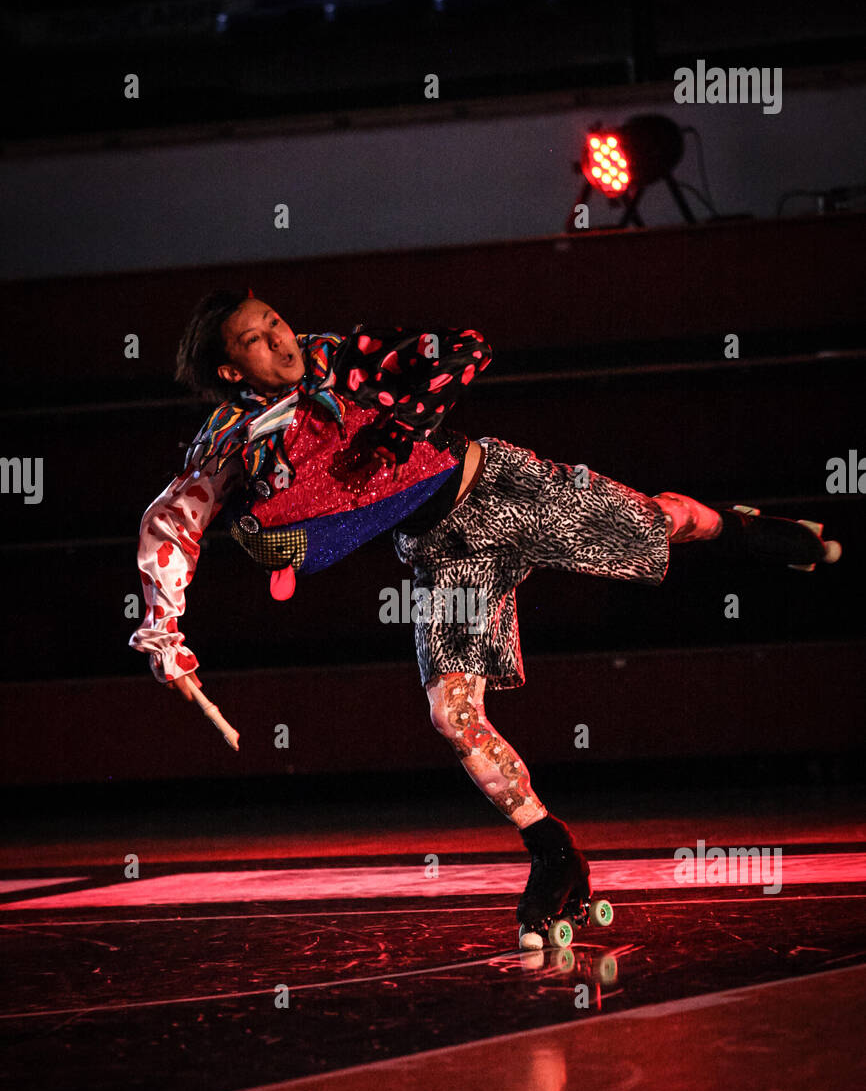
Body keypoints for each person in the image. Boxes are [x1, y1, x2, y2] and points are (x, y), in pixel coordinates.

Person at [130, 290, 841, 948]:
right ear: (231, 370)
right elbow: (171, 524)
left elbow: (466, 347)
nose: (280, 341)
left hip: (502, 487)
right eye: (256, 340)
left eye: (276, 322)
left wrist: (404, 424)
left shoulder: (342, 356)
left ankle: (740, 531)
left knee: (659, 523)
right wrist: (165, 635)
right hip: (444, 553)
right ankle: (554, 853)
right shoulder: (231, 439)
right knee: (452, 716)